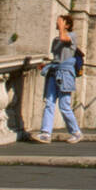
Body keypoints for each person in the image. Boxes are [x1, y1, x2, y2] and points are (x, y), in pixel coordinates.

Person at [33, 14, 83, 143]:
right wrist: (48, 65)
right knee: (49, 103)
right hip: (54, 72)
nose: (57, 23)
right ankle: (45, 133)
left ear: (67, 25)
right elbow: (57, 57)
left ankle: (76, 132)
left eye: (60, 22)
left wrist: (62, 28)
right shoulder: (55, 40)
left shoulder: (72, 36)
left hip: (65, 74)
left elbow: (64, 39)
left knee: (64, 105)